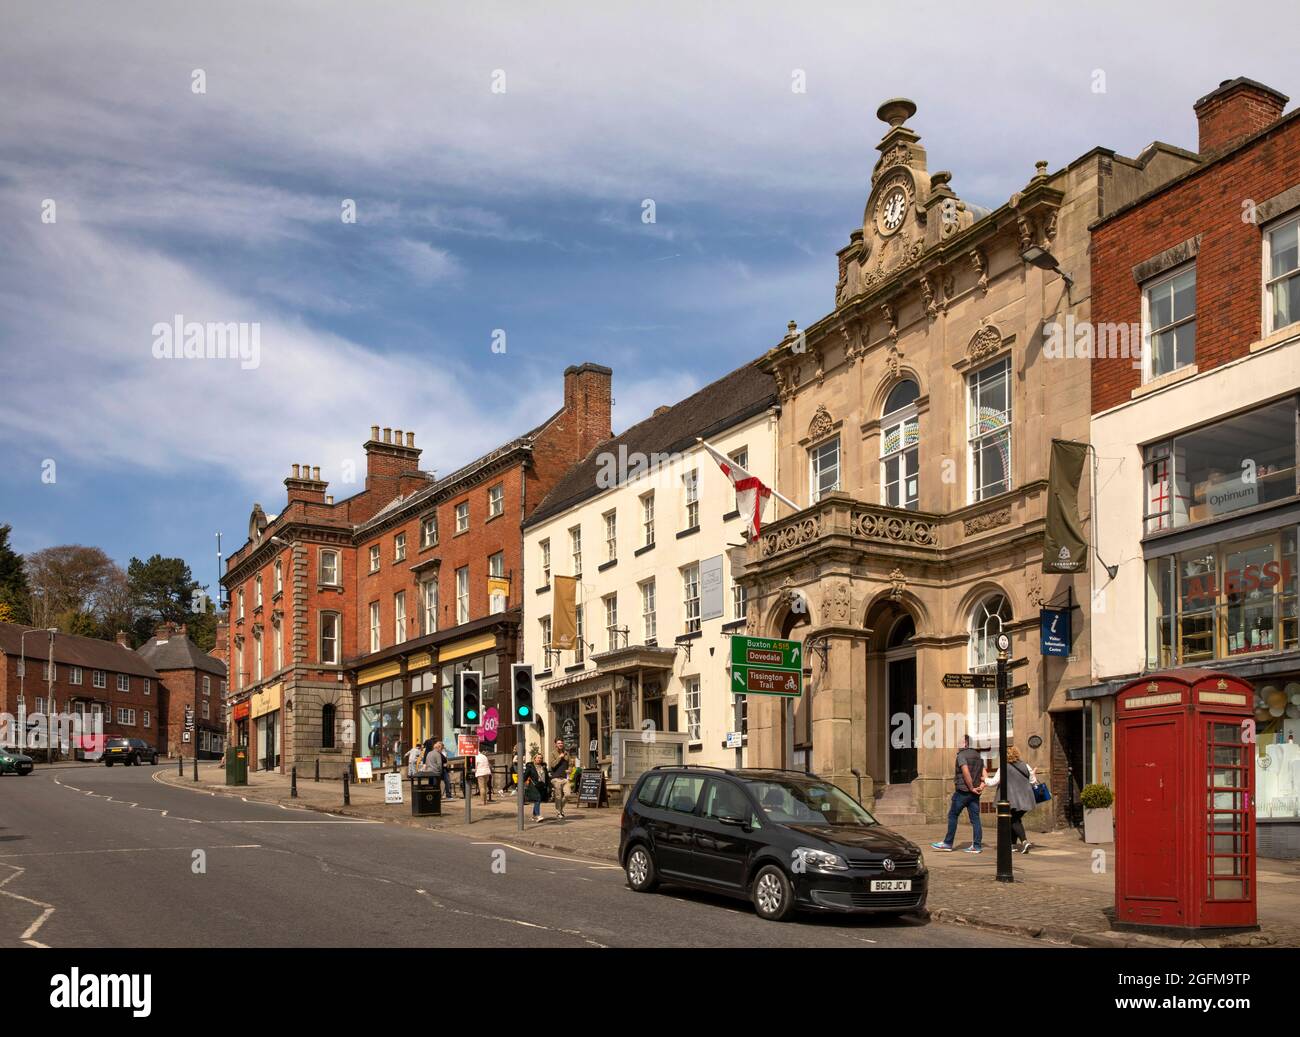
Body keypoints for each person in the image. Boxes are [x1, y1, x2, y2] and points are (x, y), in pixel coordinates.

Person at [932, 735, 986, 853]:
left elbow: (965, 772)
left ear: (966, 743)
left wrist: (971, 787)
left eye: (960, 742)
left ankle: (947, 843)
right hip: (975, 793)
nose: (958, 744)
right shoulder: (978, 756)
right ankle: (976, 846)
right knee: (975, 819)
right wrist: (980, 787)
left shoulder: (961, 755)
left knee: (953, 815)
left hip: (963, 792)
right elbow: (985, 775)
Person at [984, 746, 1037, 853]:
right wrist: (1033, 774)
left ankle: (1024, 841)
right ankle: (1012, 844)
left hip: (1011, 800)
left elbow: (993, 782)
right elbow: (1033, 782)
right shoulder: (1026, 765)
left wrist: (984, 778)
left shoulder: (1003, 767)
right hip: (1026, 799)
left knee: (1013, 820)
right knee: (1015, 819)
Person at [523, 752, 549, 822]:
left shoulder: (543, 766)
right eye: (538, 758)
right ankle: (537, 815)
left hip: (541, 785)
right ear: (534, 759)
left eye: (541, 758)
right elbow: (525, 776)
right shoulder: (530, 766)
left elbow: (547, 777)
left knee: (538, 800)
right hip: (534, 785)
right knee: (537, 799)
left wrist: (548, 785)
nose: (539, 759)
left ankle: (534, 816)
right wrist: (520, 783)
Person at [550, 738, 571, 819]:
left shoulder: (566, 753)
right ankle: (559, 812)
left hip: (565, 778)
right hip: (556, 778)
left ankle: (560, 808)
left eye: (561, 743)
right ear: (556, 744)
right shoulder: (553, 753)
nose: (560, 744)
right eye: (559, 743)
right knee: (558, 796)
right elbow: (552, 765)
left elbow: (570, 764)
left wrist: (569, 769)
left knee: (568, 794)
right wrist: (559, 757)